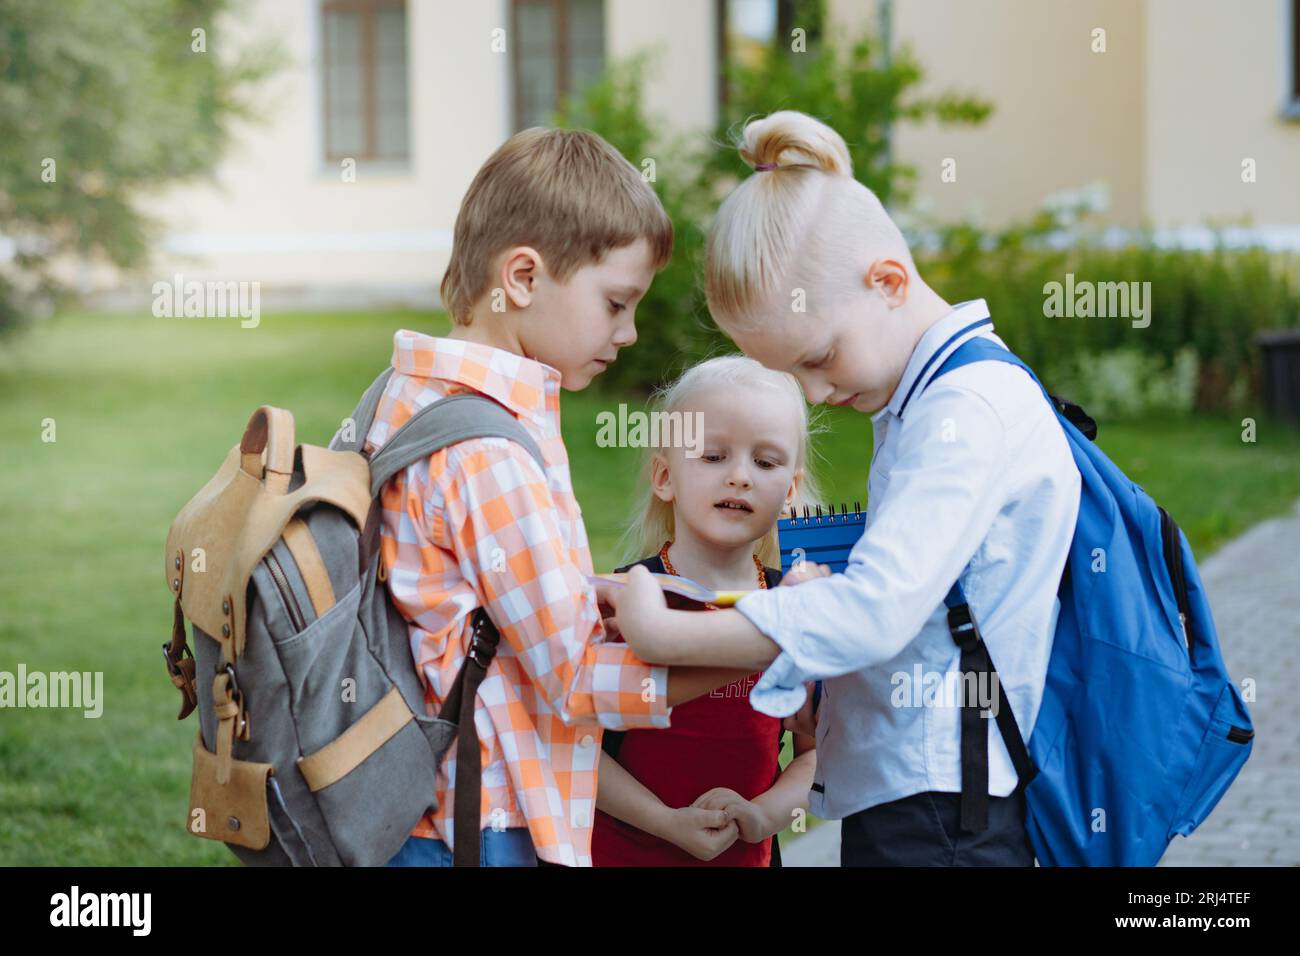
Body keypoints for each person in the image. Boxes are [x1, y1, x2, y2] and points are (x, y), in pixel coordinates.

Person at [603, 111, 1082, 866]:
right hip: (921, 800)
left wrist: (668, 634)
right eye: (795, 373)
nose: (816, 393)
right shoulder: (927, 403)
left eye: (820, 357)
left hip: (943, 814)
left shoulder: (964, 411)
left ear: (888, 281)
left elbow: (879, 610)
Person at [377, 127, 758, 867]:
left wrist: (589, 595)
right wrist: (769, 643)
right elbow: (578, 682)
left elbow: (468, 597)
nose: (629, 331)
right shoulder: (487, 452)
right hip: (478, 821)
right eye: (616, 303)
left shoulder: (406, 393)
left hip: (414, 809)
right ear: (521, 277)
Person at [592, 356, 819, 866]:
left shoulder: (793, 609)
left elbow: (814, 754)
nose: (739, 477)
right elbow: (578, 747)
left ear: (790, 492)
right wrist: (666, 822)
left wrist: (762, 815)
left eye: (764, 463)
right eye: (714, 456)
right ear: (664, 476)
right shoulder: (627, 598)